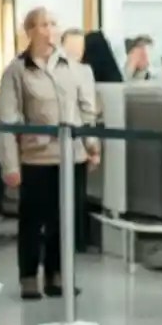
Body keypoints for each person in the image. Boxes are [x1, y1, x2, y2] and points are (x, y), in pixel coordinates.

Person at [0, 9, 99, 300]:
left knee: (66, 219)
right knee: (33, 220)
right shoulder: (16, 70)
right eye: (42, 25)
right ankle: (29, 275)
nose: (49, 30)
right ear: (29, 31)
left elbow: (88, 112)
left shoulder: (77, 69)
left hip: (72, 156)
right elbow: (6, 120)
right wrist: (9, 165)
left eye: (53, 23)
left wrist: (92, 147)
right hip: (37, 158)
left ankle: (58, 274)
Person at [62, 29, 102, 252]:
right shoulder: (84, 72)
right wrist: (93, 146)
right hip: (75, 142)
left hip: (52, 145)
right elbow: (88, 111)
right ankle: (75, 240)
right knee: (75, 193)